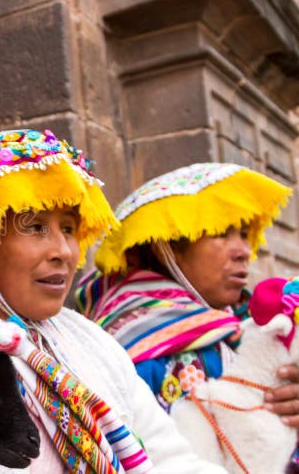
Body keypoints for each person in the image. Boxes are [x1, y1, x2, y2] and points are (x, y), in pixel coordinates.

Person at [0, 128, 226, 473]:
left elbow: (171, 459)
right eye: (35, 227)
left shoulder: (88, 339)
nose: (63, 252)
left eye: (68, 228)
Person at [75, 163, 298, 420]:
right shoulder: (130, 350)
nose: (244, 251)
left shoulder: (257, 326)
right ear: (166, 249)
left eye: (245, 235)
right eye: (221, 233)